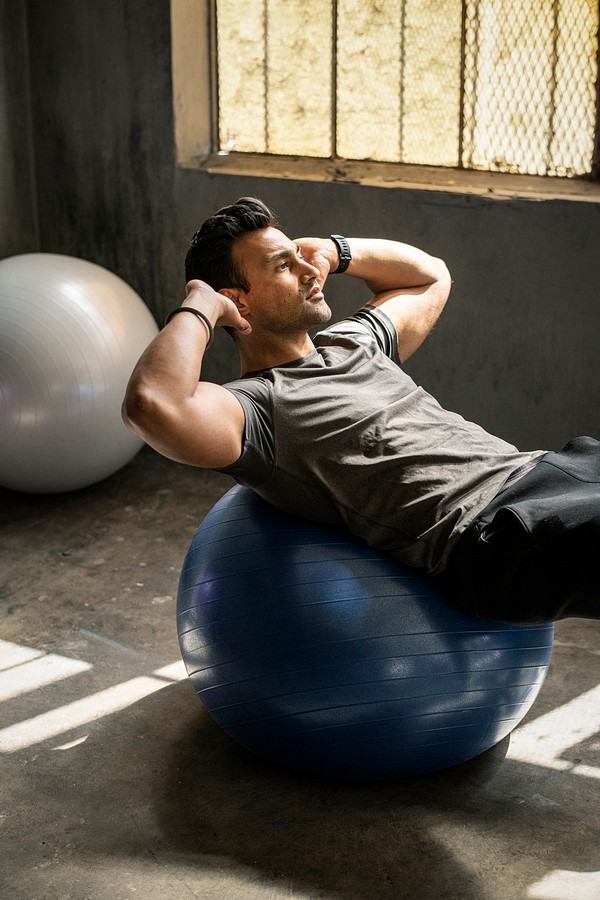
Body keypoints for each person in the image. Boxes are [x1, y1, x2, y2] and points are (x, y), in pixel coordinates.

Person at [122, 197, 600, 625]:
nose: (308, 272)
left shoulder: (353, 342)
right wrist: (200, 306)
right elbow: (153, 404)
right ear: (237, 301)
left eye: (300, 258)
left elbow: (429, 275)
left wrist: (335, 250)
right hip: (496, 529)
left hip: (550, 470)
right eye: (282, 266)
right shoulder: (258, 409)